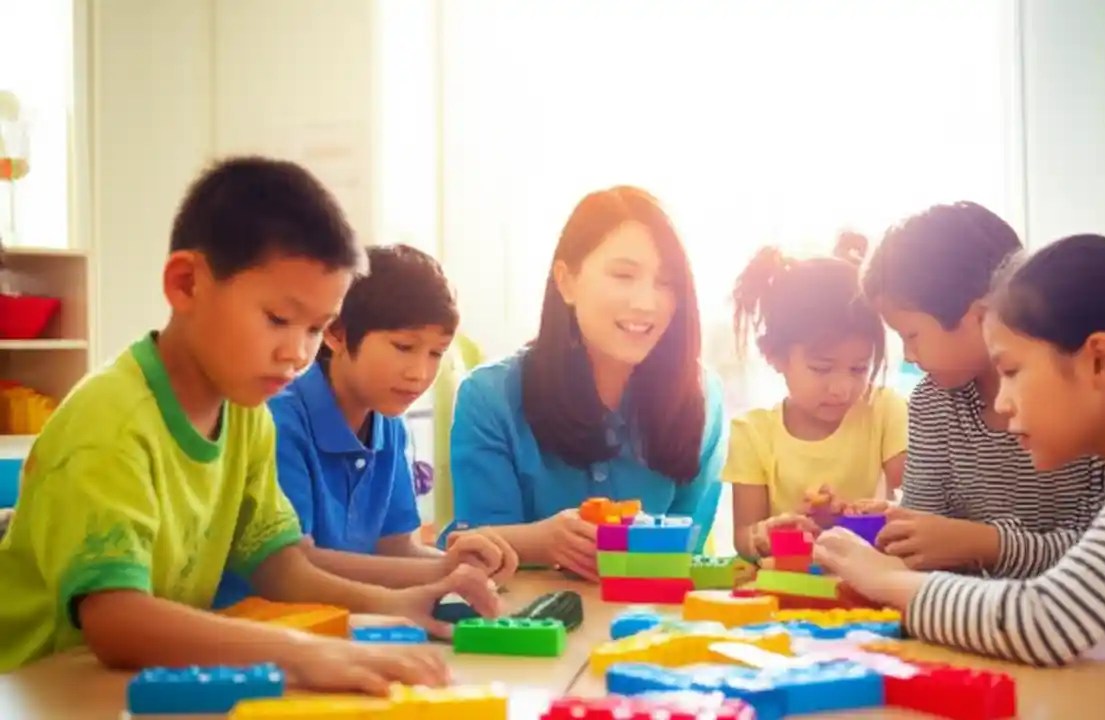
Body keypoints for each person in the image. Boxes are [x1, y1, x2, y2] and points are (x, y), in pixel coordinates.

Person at [0, 157, 498, 694]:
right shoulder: (111, 425)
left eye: (316, 329)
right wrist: (302, 653)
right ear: (186, 284)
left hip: (147, 682)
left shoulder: (245, 414)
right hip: (45, 688)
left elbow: (279, 563)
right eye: (278, 320)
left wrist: (395, 605)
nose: (298, 353)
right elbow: (116, 621)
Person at [816, 234, 1105, 714]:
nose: (1001, 401)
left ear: (1100, 360)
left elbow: (1044, 621)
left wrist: (886, 580)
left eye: (1012, 371)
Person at [214, 244, 517, 609]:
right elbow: (295, 565)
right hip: (266, 629)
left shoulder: (387, 421)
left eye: (436, 353)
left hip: (350, 626)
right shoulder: (279, 418)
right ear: (336, 333)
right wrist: (441, 572)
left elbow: (398, 547)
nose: (419, 373)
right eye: (404, 346)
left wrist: (463, 567)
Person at [447, 186, 727, 580]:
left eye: (666, 283)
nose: (646, 302)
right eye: (623, 275)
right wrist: (539, 541)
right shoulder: (489, 399)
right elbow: (473, 546)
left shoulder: (701, 399)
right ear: (567, 282)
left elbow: (685, 551)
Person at [856, 201, 1105, 577]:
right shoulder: (934, 402)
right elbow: (925, 536)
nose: (909, 355)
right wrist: (888, 528)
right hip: (970, 617)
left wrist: (984, 543)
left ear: (979, 316)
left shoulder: (1083, 397)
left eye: (911, 335)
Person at [724, 234, 906, 557]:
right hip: (783, 589)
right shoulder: (753, 433)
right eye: (822, 369)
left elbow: (914, 505)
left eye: (859, 368)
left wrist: (854, 516)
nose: (842, 388)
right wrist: (763, 535)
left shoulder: (884, 410)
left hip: (864, 587)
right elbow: (743, 537)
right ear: (775, 356)